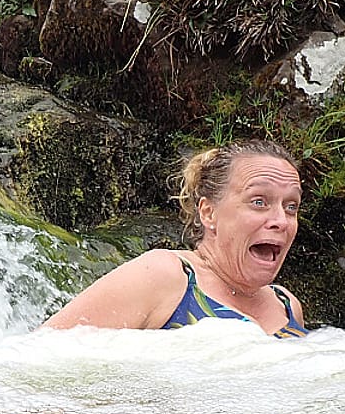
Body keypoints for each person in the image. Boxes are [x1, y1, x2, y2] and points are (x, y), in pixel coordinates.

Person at [42, 139, 306, 337]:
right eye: (259, 202)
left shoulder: (286, 306)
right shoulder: (166, 277)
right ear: (209, 212)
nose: (281, 221)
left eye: (291, 206)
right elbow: (36, 358)